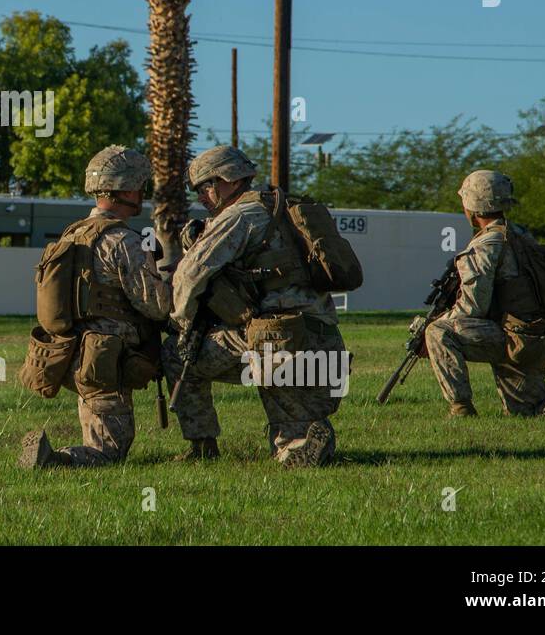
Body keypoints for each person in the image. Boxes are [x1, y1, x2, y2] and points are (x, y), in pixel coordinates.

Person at [165, 146, 346, 467]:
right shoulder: (284, 207)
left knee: (176, 355)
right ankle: (308, 437)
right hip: (327, 351)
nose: (202, 197)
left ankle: (203, 447)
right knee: (295, 426)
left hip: (281, 347)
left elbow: (190, 275)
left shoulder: (239, 216)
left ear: (228, 180)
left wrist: (181, 324)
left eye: (205, 186)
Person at [18, 146, 172, 469]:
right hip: (104, 358)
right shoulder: (123, 240)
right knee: (111, 450)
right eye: (140, 185)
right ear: (125, 189)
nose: (142, 192)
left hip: (72, 353)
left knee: (101, 438)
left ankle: (55, 457)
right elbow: (156, 305)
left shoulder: (74, 233)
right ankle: (53, 460)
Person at [424, 170, 545, 417]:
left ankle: (461, 408)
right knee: (527, 412)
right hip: (537, 337)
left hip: (513, 339)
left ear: (471, 209)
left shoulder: (486, 245)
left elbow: (473, 308)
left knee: (438, 332)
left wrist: (435, 323)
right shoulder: (521, 235)